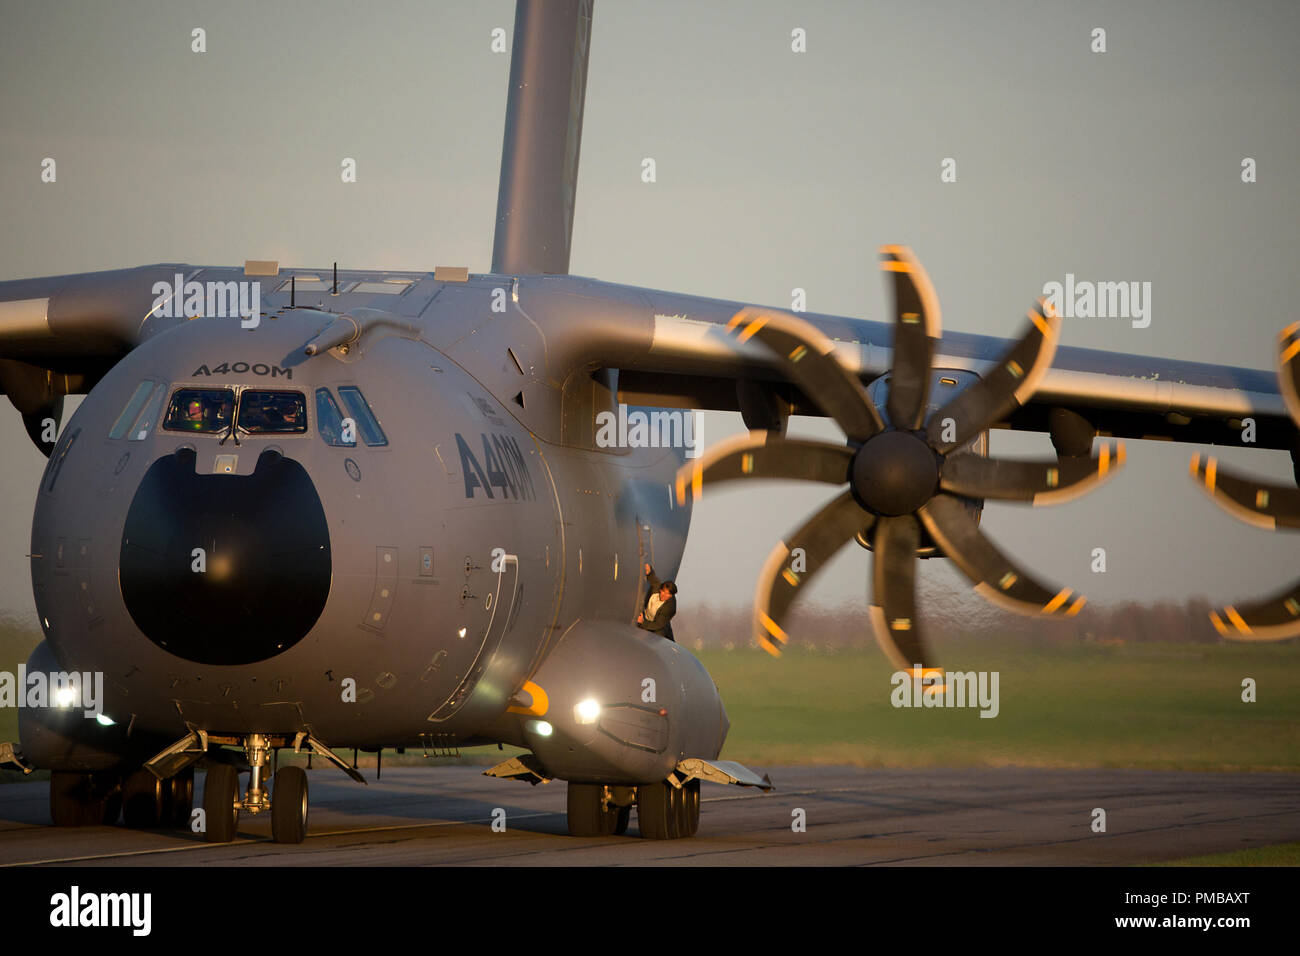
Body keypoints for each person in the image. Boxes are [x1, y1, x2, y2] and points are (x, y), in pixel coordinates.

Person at [636, 562, 677, 642]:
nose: (664, 596)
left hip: (658, 627)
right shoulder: (657, 588)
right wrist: (649, 571)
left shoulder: (670, 608)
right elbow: (654, 580)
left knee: (657, 640)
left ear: (671, 596)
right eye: (663, 592)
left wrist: (643, 623)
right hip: (646, 618)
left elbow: (658, 624)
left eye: (668, 594)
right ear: (660, 590)